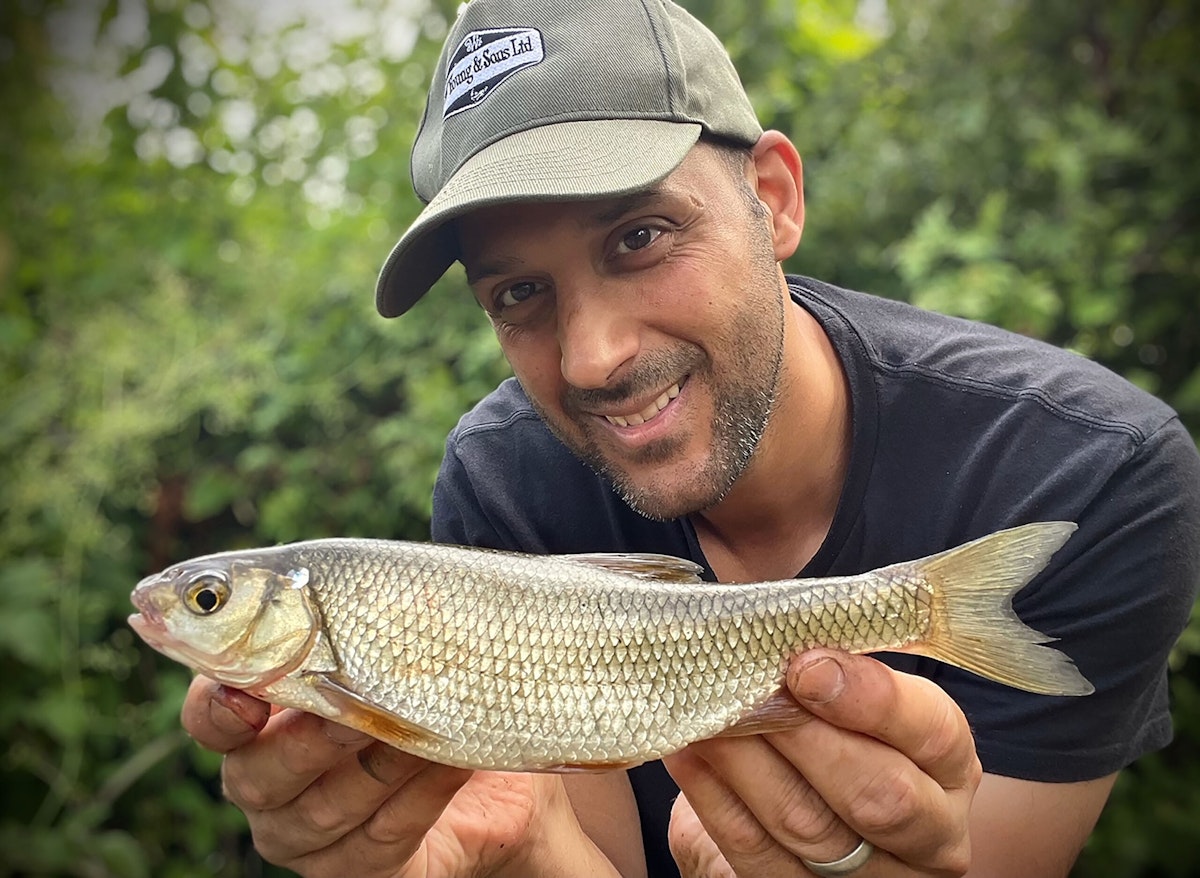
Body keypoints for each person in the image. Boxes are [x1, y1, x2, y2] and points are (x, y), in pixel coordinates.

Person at [180, 0, 1200, 875]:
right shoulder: (501, 477)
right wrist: (520, 844)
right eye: (519, 293)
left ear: (774, 199)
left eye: (640, 237)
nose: (592, 358)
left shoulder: (1092, 474)